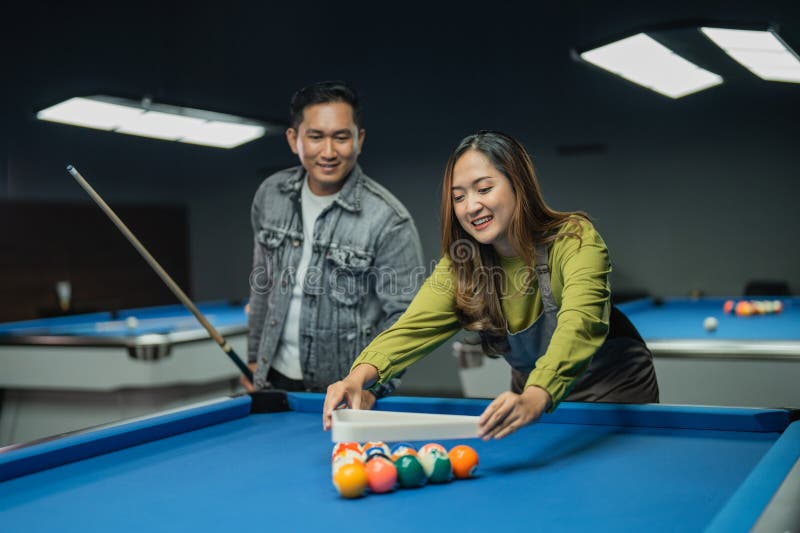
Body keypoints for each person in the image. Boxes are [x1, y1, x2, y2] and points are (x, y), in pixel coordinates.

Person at [323, 130, 659, 438]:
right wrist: (357, 377)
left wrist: (536, 394)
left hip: (614, 394)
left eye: (484, 189)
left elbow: (580, 324)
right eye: (459, 197)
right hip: (530, 399)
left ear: (518, 184)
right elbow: (410, 329)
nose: (472, 206)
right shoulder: (462, 265)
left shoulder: (575, 238)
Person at [246, 80, 425, 404]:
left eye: (341, 137)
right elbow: (263, 285)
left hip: (347, 391)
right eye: (315, 137)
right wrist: (253, 360)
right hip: (273, 382)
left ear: (359, 139)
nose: (328, 152)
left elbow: (406, 320)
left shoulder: (389, 219)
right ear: (293, 139)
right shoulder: (270, 195)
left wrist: (373, 389)